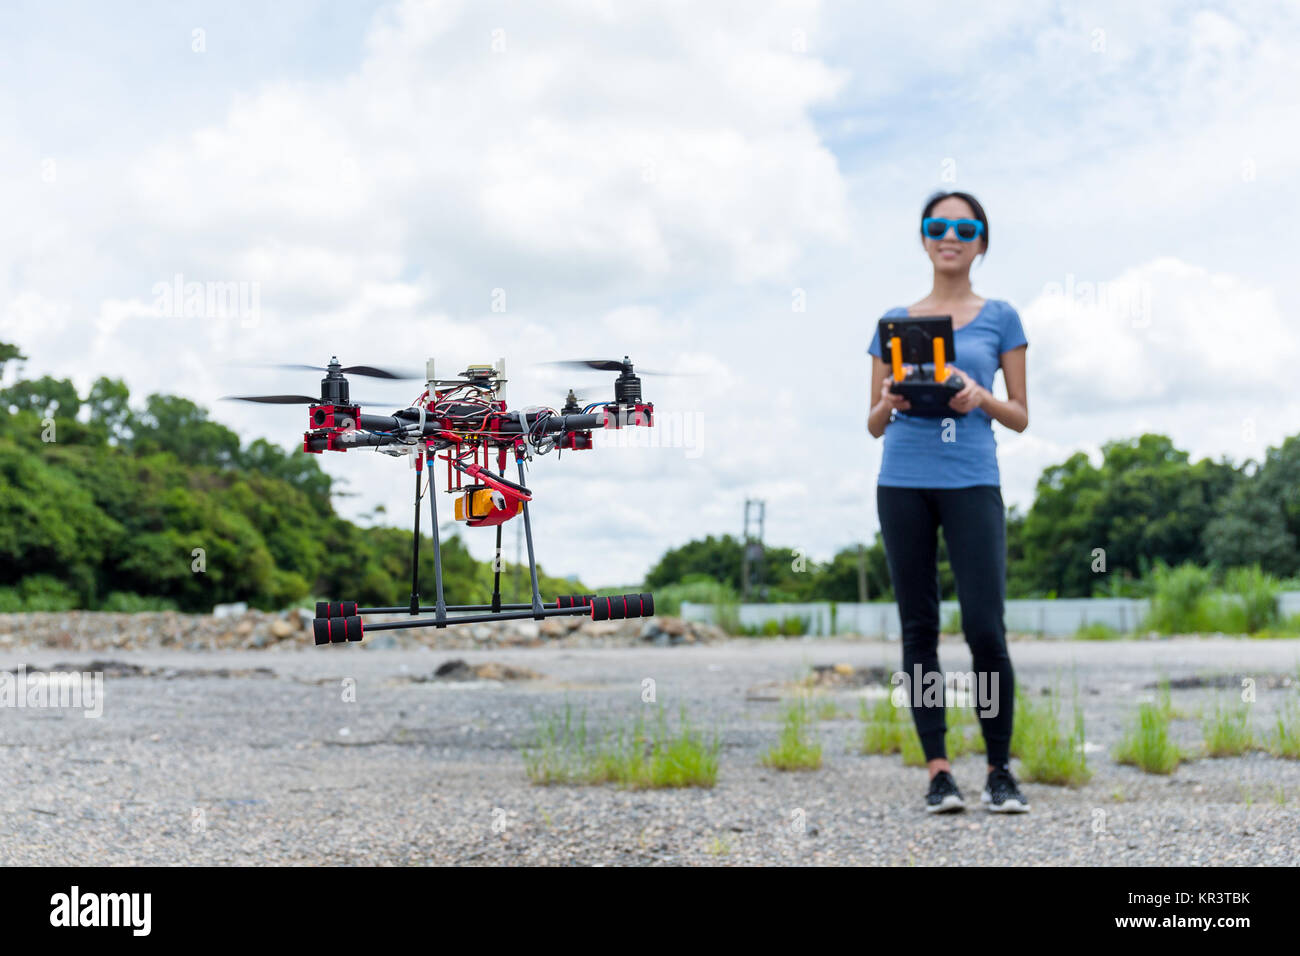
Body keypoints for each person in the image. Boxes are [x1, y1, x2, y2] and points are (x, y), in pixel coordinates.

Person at [866, 190, 1030, 814]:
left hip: (972, 480)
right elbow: (873, 423)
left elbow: (1018, 416)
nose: (951, 235)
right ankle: (938, 771)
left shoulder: (1002, 318)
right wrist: (891, 400)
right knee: (919, 628)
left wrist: (976, 396)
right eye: (938, 226)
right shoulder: (893, 321)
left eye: (965, 227)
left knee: (985, 627)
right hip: (903, 478)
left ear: (982, 241)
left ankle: (998, 769)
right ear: (925, 238)